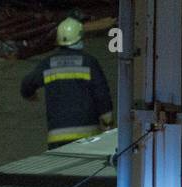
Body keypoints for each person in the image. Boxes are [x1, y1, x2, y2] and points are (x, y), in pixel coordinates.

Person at [20, 17, 114, 149]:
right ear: (80, 37)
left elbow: (27, 83)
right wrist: (108, 121)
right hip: (88, 135)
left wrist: (29, 94)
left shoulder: (48, 63)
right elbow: (101, 93)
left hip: (57, 136)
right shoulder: (88, 62)